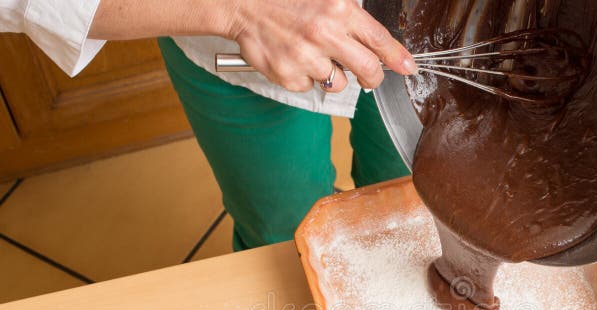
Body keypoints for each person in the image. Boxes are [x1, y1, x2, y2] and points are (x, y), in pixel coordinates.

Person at [0, 0, 418, 249]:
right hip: (238, 52)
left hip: (433, 38)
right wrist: (240, 11)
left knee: (407, 215)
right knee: (284, 234)